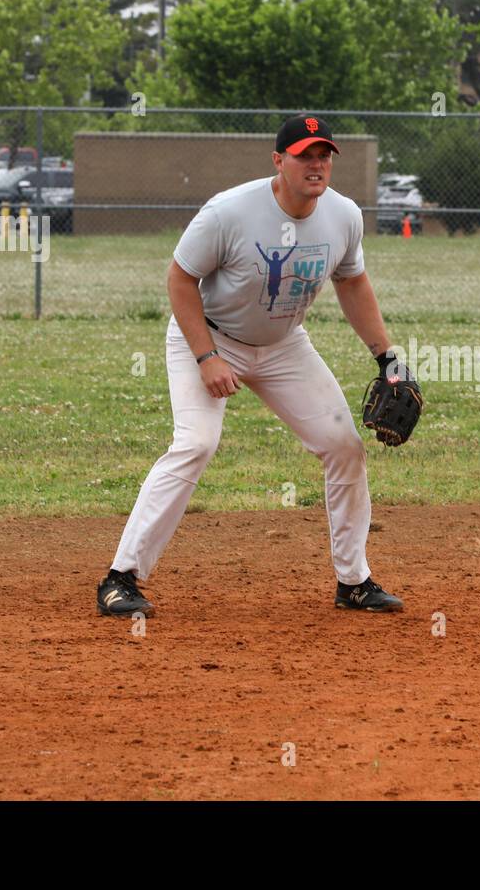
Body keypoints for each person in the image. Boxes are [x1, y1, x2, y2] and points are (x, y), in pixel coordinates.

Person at [97, 114, 407, 617]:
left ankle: (354, 582)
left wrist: (387, 358)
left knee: (344, 446)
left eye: (323, 154)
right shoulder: (229, 212)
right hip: (210, 335)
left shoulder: (344, 216)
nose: (316, 163)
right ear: (278, 161)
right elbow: (180, 281)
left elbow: (352, 284)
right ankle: (120, 577)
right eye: (304, 154)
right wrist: (207, 357)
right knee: (196, 442)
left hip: (284, 345)